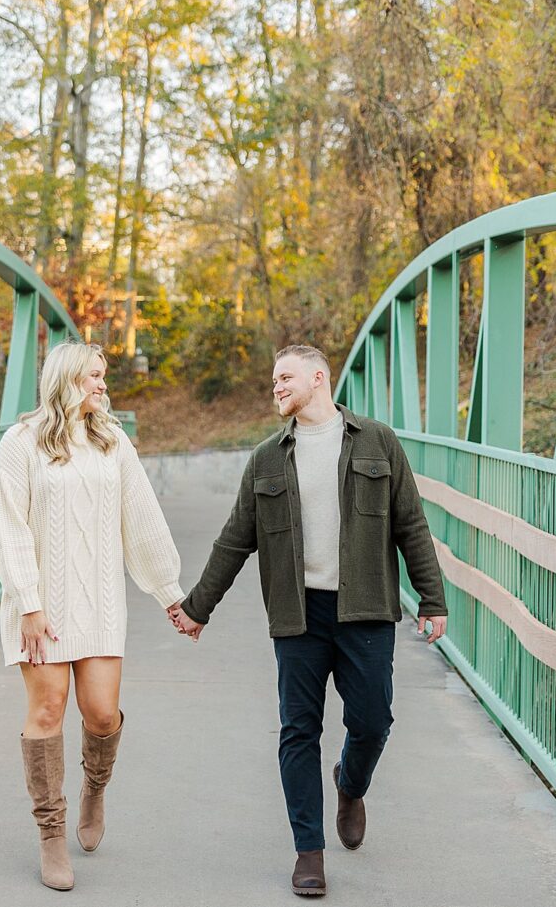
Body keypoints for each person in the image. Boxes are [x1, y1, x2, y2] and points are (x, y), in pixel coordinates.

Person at [169, 344, 447, 897]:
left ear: (318, 378)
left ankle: (351, 782)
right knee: (299, 731)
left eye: (285, 377)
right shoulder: (267, 459)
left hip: (365, 608)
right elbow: (234, 539)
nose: (276, 387)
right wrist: (198, 606)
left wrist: (432, 600)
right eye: (273, 380)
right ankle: (309, 853)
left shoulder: (378, 441)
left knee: (373, 721)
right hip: (299, 614)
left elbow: (410, 525)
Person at [0, 341, 186, 891]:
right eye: (94, 376)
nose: (103, 384)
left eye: (103, 376)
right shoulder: (21, 442)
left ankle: (94, 787)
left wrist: (169, 592)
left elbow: (140, 517)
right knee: (48, 710)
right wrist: (28, 602)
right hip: (40, 606)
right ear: (67, 379)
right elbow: (8, 526)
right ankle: (51, 835)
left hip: (97, 602)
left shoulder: (112, 440)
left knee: (101, 713)